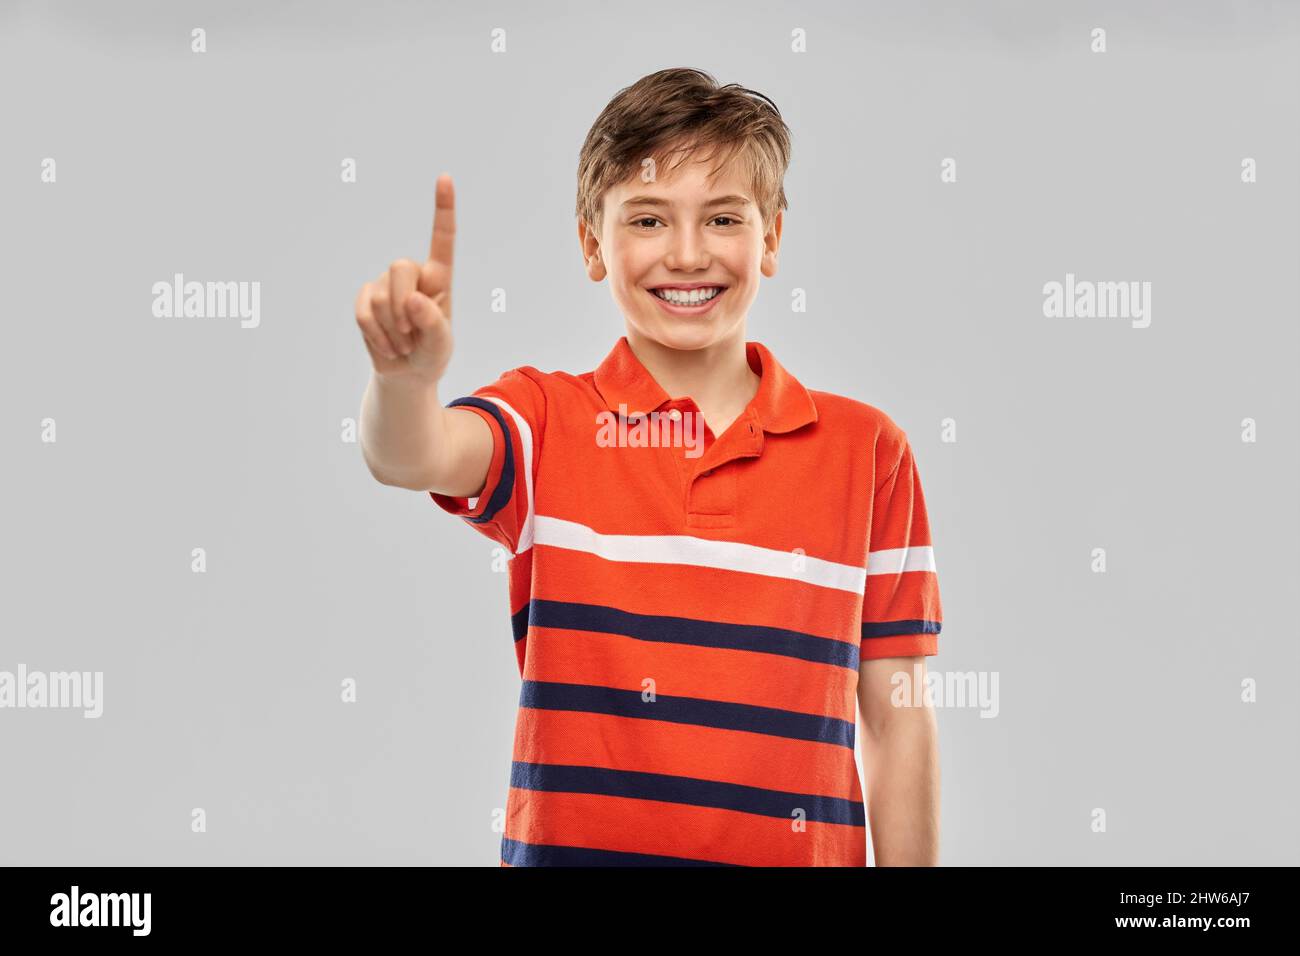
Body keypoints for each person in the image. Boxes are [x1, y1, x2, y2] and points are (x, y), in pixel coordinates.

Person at [356, 67, 943, 866]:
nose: (688, 253)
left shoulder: (868, 451)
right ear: (593, 244)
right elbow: (411, 453)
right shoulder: (545, 421)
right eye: (648, 219)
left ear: (771, 237)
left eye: (723, 217)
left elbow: (898, 713)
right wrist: (403, 380)